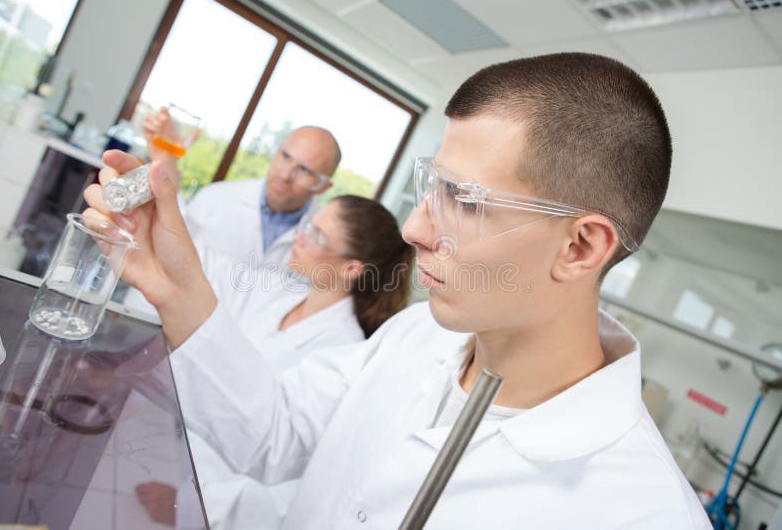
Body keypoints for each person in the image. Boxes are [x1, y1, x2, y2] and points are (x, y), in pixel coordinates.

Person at [84, 52, 711, 528]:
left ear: (580, 248)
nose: (414, 229)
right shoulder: (414, 336)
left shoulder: (640, 511)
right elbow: (272, 435)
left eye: (462, 200)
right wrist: (177, 289)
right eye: (431, 188)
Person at [150, 194, 414, 529]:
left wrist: (187, 505)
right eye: (307, 225)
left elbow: (291, 488)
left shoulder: (344, 354)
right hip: (177, 458)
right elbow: (208, 281)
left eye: (317, 236)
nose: (299, 237)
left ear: (351, 269)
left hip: (200, 506)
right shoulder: (278, 295)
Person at [145, 109, 341, 267]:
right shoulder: (216, 197)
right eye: (285, 157)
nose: (286, 174)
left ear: (323, 187)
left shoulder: (325, 244)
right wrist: (165, 159)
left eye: (304, 170)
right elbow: (167, 239)